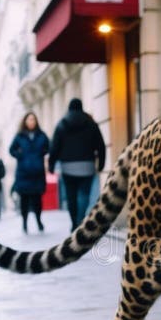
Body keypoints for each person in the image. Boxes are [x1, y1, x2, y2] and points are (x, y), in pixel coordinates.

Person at [49, 98, 106, 231]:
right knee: (84, 195)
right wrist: (101, 163)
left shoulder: (61, 124)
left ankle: (74, 222)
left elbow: (54, 147)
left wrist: (51, 165)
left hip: (67, 167)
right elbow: (101, 145)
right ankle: (80, 220)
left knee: (71, 197)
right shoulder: (91, 123)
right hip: (87, 166)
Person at [9, 112, 49, 233]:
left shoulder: (41, 135)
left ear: (36, 121)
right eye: (29, 119)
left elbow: (49, 146)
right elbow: (11, 150)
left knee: (38, 200)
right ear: (25, 121)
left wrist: (40, 155)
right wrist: (20, 156)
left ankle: (39, 220)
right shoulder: (19, 136)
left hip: (37, 173)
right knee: (24, 201)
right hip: (23, 174)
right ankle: (24, 223)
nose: (31, 121)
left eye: (33, 119)